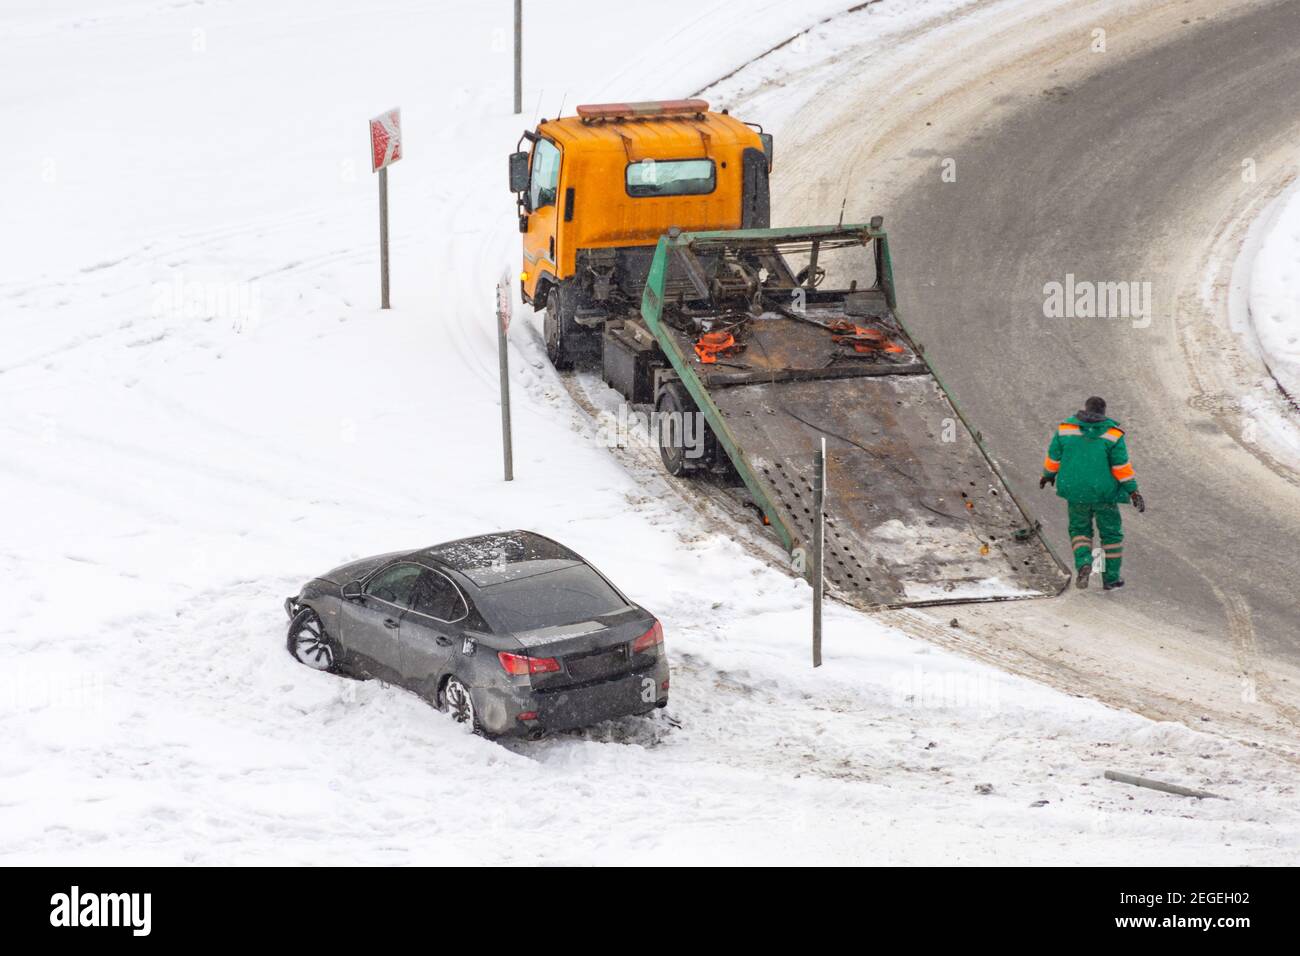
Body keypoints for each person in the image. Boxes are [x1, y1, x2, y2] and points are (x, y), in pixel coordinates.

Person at [1039, 396, 1145, 590]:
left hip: (1075, 492)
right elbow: (1121, 467)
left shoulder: (1065, 429)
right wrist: (1133, 491)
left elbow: (1054, 457)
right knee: (1111, 534)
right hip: (1103, 494)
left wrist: (1048, 475)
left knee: (1080, 530)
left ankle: (1085, 563)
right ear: (1103, 413)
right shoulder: (1113, 434)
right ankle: (1110, 579)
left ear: (1085, 409)